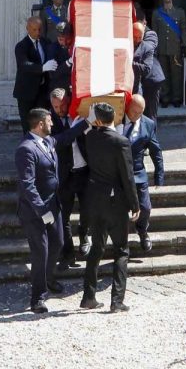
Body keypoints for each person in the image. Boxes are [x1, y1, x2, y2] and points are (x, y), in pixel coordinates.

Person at [80, 102, 138, 312]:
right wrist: (134, 203)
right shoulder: (120, 141)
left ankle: (88, 296)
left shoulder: (90, 136)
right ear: (115, 117)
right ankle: (117, 300)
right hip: (116, 202)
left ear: (97, 119)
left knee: (97, 248)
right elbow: (127, 175)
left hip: (95, 199)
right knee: (121, 250)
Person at [15, 107, 65, 313]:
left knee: (58, 244)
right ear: (40, 124)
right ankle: (38, 297)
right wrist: (41, 209)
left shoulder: (48, 142)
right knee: (40, 252)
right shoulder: (26, 149)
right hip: (35, 211)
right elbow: (27, 184)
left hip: (53, 206)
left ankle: (48, 277)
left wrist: (87, 123)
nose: (52, 123)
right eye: (50, 121)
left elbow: (66, 137)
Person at [49, 88, 89, 269]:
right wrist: (81, 126)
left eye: (63, 105)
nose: (60, 109)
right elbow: (62, 140)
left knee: (87, 211)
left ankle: (84, 236)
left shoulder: (78, 113)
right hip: (65, 176)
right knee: (63, 218)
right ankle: (68, 254)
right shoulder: (49, 121)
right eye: (56, 106)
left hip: (84, 171)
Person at [122, 93, 164, 253]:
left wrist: (159, 175)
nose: (137, 116)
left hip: (138, 173)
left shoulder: (148, 124)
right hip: (120, 175)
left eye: (141, 112)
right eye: (134, 112)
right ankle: (121, 240)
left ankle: (142, 230)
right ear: (128, 108)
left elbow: (155, 150)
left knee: (145, 207)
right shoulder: (117, 121)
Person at [12, 17, 59, 129]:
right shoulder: (21, 46)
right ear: (27, 29)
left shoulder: (45, 42)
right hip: (26, 92)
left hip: (42, 91)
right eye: (34, 29)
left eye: (39, 29)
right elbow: (24, 65)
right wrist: (43, 68)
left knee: (42, 122)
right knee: (28, 124)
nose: (37, 32)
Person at [152, 0, 186, 108]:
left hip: (175, 49)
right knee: (164, 74)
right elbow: (154, 32)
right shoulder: (156, 14)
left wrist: (184, 45)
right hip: (162, 49)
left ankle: (177, 97)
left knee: (176, 75)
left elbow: (183, 30)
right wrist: (154, 48)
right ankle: (165, 97)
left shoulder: (180, 12)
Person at [132, 20, 164, 120]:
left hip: (151, 79)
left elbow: (146, 49)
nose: (137, 40)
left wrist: (129, 62)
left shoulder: (150, 34)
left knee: (150, 115)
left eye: (139, 37)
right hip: (140, 81)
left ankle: (150, 135)